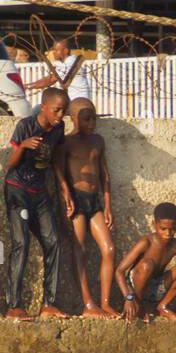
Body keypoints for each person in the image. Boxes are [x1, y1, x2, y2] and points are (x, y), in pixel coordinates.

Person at [4, 88, 69, 321]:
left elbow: (57, 160)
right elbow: (9, 164)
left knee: (53, 241)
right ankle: (14, 305)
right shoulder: (26, 126)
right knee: (21, 242)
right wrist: (23, 147)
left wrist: (64, 191)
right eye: (56, 110)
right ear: (44, 107)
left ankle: (48, 304)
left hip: (40, 192)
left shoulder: (59, 129)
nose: (60, 115)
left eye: (63, 110)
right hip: (18, 191)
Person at [55, 97, 119, 319]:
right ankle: (88, 303)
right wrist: (65, 201)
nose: (92, 122)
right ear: (73, 118)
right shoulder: (65, 143)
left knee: (109, 249)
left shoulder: (98, 141)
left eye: (94, 117)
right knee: (79, 250)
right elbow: (59, 174)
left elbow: (104, 175)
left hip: (95, 201)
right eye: (86, 118)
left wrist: (108, 205)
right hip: (76, 201)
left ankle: (105, 302)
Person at [114, 202, 176, 325]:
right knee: (147, 265)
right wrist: (129, 297)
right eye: (163, 229)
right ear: (154, 225)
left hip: (155, 288)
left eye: (172, 229)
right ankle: (139, 306)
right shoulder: (146, 242)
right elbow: (119, 271)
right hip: (134, 290)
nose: (168, 233)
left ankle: (162, 306)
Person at [28, 38, 92, 104]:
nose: (53, 52)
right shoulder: (70, 61)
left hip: (77, 102)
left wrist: (26, 86)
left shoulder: (69, 64)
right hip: (77, 100)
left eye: (56, 50)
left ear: (65, 51)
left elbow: (49, 80)